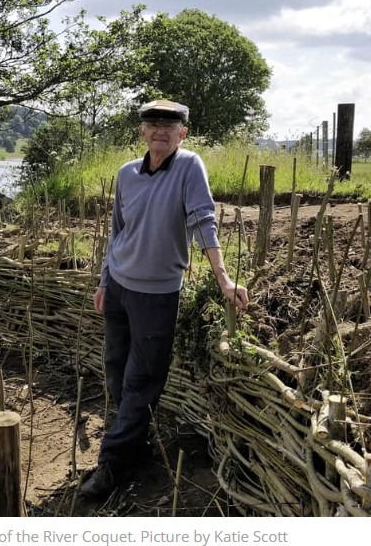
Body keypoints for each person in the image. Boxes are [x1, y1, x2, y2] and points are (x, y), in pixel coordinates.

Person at [80, 99, 249, 498]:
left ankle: (112, 464)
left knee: (143, 380)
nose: (160, 130)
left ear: (182, 133)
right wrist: (105, 280)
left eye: (169, 125)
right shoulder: (126, 173)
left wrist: (223, 278)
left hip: (157, 294)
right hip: (119, 286)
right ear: (142, 130)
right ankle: (137, 446)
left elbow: (203, 219)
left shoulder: (189, 166)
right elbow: (116, 230)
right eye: (152, 123)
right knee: (116, 370)